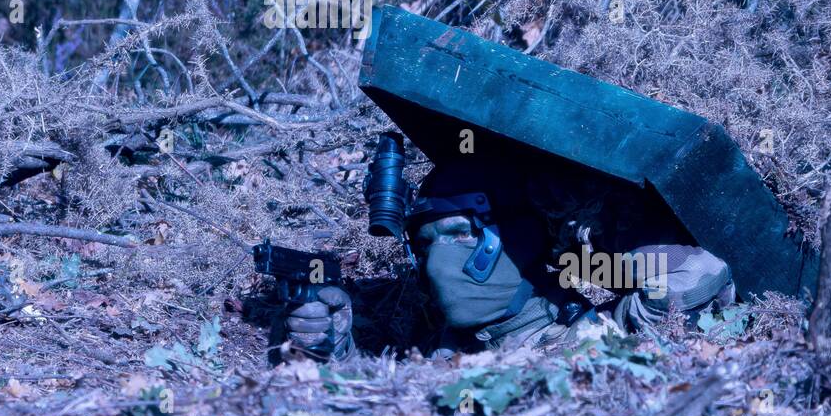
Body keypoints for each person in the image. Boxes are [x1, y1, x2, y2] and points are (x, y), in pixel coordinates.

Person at [281, 156, 736, 361]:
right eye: (424, 245)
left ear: (518, 237)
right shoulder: (440, 352)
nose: (439, 260)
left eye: (461, 234)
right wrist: (334, 351)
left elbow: (705, 271)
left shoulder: (600, 332)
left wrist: (597, 250)